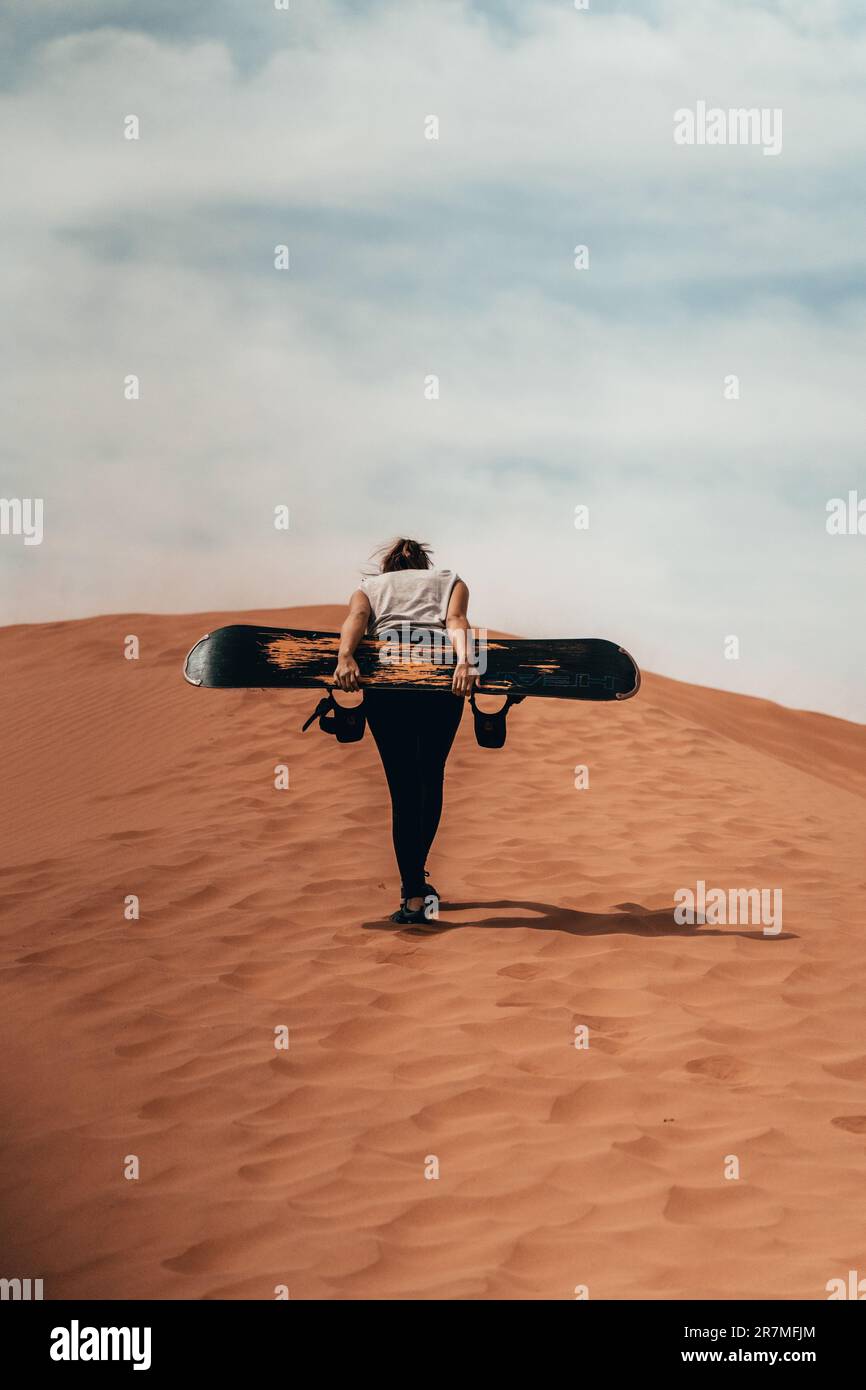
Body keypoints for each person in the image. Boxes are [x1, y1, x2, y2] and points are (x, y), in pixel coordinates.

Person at [332, 538, 478, 924]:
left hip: (387, 690)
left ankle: (413, 891)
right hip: (440, 688)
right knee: (430, 776)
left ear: (389, 566)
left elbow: (358, 621)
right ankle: (416, 881)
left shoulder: (370, 588)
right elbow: (456, 623)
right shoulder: (449, 581)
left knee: (403, 787)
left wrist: (346, 656)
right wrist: (466, 663)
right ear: (424, 564)